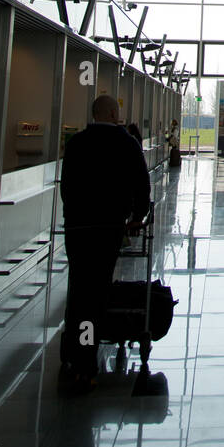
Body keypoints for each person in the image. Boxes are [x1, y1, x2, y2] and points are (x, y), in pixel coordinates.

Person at [60, 94, 151, 387]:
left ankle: (73, 354)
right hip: (107, 228)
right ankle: (86, 361)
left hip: (77, 228)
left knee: (78, 289)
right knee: (97, 291)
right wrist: (138, 215)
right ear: (113, 114)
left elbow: (67, 187)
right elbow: (141, 184)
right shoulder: (127, 144)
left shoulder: (76, 144)